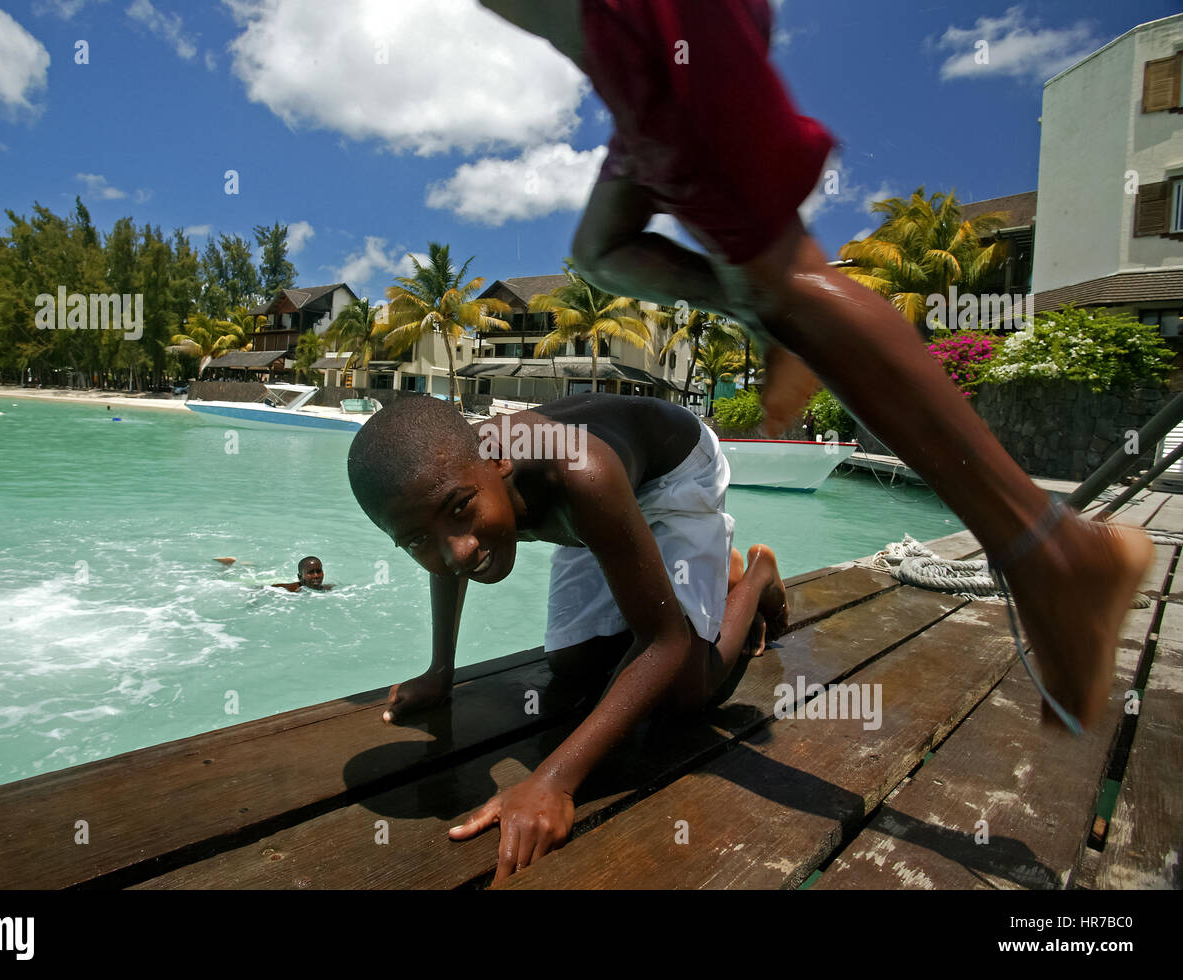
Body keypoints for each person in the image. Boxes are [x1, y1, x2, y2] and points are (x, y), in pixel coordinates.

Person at [478, 0, 1153, 735]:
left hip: (652, 21)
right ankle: (772, 317)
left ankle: (1051, 551)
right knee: (610, 252)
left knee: (787, 278)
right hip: (630, 51)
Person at [348, 393, 786, 880]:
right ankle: (676, 576)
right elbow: (448, 553)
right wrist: (440, 672)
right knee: (572, 663)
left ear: (497, 460)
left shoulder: (578, 473)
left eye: (460, 508)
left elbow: (664, 642)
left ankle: (755, 579)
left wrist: (554, 782)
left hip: (671, 471)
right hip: (594, 505)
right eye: (416, 541)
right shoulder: (458, 476)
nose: (459, 550)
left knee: (684, 689)